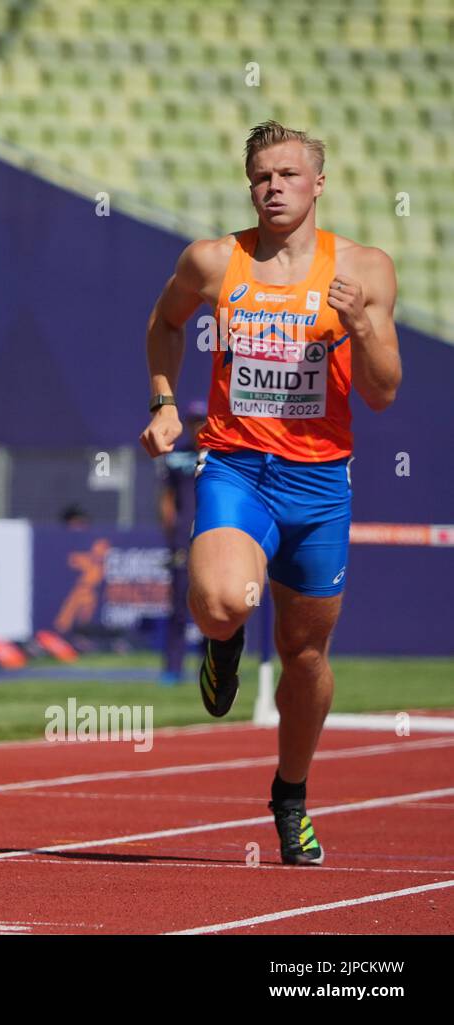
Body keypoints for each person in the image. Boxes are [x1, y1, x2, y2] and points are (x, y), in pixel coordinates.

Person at [139, 121, 401, 865]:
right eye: (262, 176)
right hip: (236, 465)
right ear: (248, 184)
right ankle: (222, 642)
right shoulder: (215, 260)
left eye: (289, 174)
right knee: (223, 598)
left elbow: (383, 392)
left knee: (304, 653)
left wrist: (362, 328)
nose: (274, 186)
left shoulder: (363, 269)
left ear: (319, 183)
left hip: (319, 482)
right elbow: (164, 322)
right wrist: (163, 402)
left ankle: (291, 794)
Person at [157, 400, 207, 684]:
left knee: (211, 605)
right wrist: (171, 534)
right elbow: (166, 502)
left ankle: (210, 668)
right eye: (193, 421)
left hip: (212, 539)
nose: (198, 426)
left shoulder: (219, 457)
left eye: (202, 421)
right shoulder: (176, 458)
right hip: (182, 540)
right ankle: (173, 668)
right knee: (178, 605)